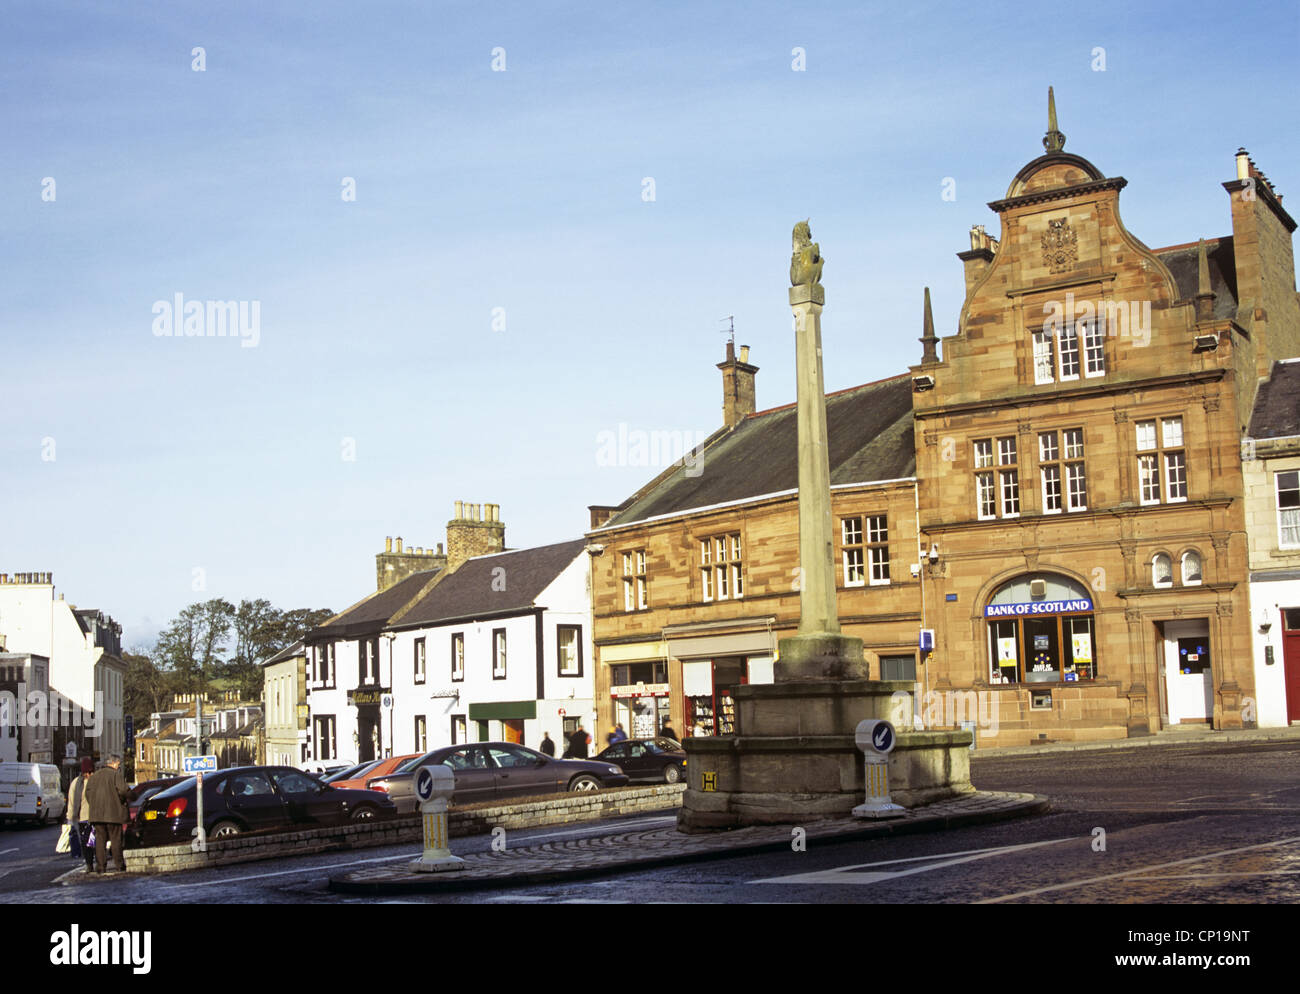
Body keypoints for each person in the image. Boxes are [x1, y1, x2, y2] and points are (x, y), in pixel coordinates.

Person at [86, 754, 129, 874]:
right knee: (116, 840)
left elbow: (88, 794)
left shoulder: (94, 777)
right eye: (118, 765)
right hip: (113, 814)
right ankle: (119, 865)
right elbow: (124, 790)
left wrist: (95, 805)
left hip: (96, 815)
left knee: (100, 840)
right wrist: (125, 799)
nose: (118, 767)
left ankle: (101, 867)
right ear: (114, 763)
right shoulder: (115, 775)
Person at [67, 758, 94, 870]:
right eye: (91, 771)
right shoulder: (93, 782)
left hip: (81, 818)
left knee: (85, 842)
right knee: (91, 842)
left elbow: (71, 802)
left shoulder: (75, 783)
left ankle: (89, 864)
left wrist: (70, 818)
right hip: (89, 817)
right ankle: (90, 862)